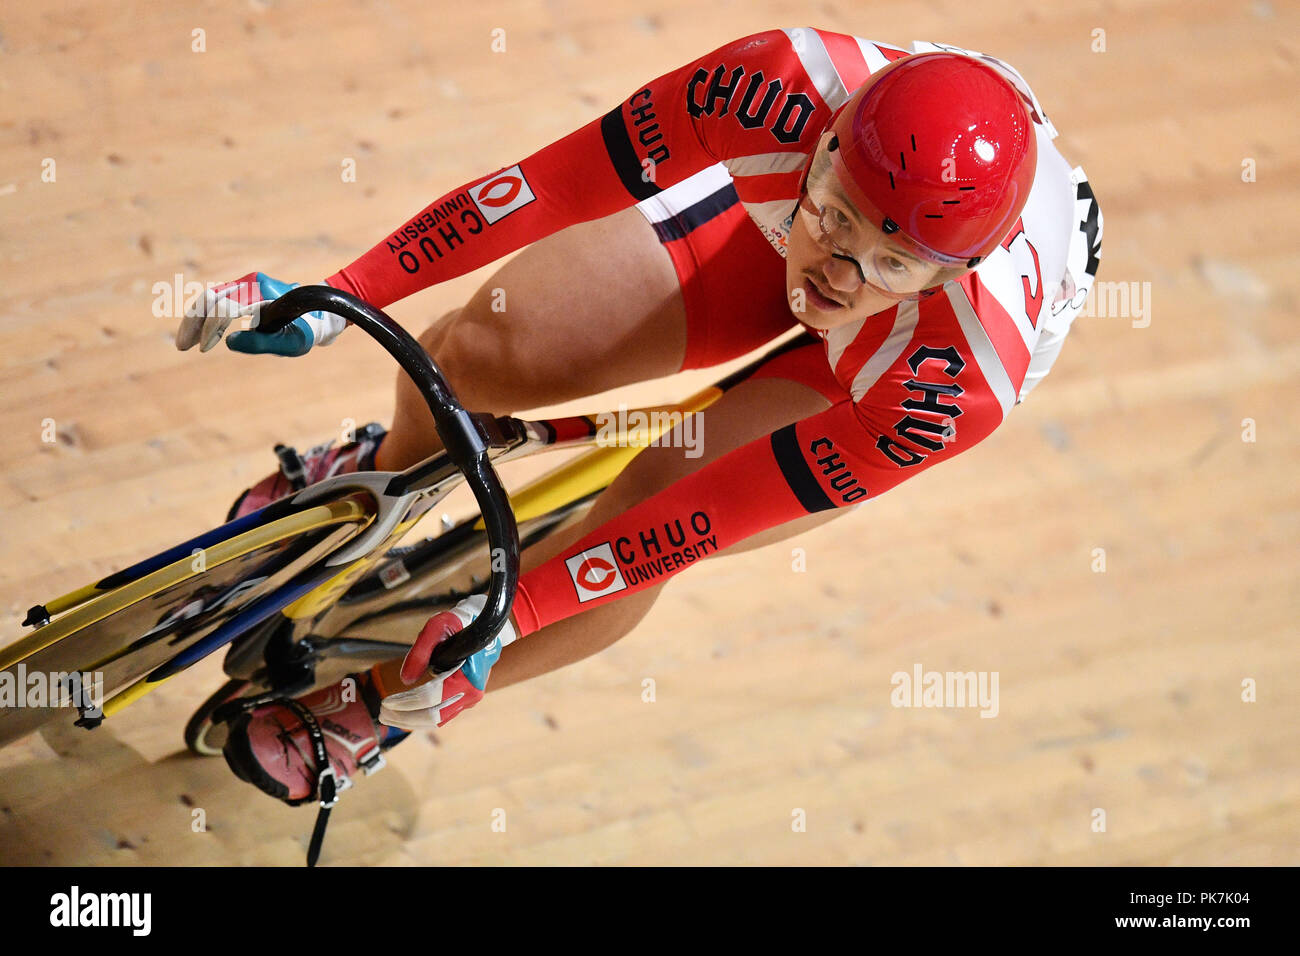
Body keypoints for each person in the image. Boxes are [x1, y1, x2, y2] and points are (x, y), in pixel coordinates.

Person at [177, 29, 1103, 809]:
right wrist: (338, 292)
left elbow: (698, 520)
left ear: (951, 274)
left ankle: (377, 705)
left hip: (892, 362)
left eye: (890, 264)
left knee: (648, 506)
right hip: (769, 226)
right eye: (837, 220)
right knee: (487, 352)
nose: (837, 274)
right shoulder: (773, 85)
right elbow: (545, 187)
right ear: (822, 149)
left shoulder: (957, 379)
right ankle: (374, 472)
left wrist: (508, 616)